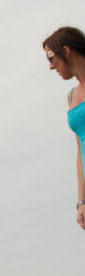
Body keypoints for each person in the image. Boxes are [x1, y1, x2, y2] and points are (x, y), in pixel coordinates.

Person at [43, 26, 85, 234]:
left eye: (51, 58)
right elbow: (80, 153)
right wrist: (81, 201)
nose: (50, 67)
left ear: (66, 51)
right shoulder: (71, 97)